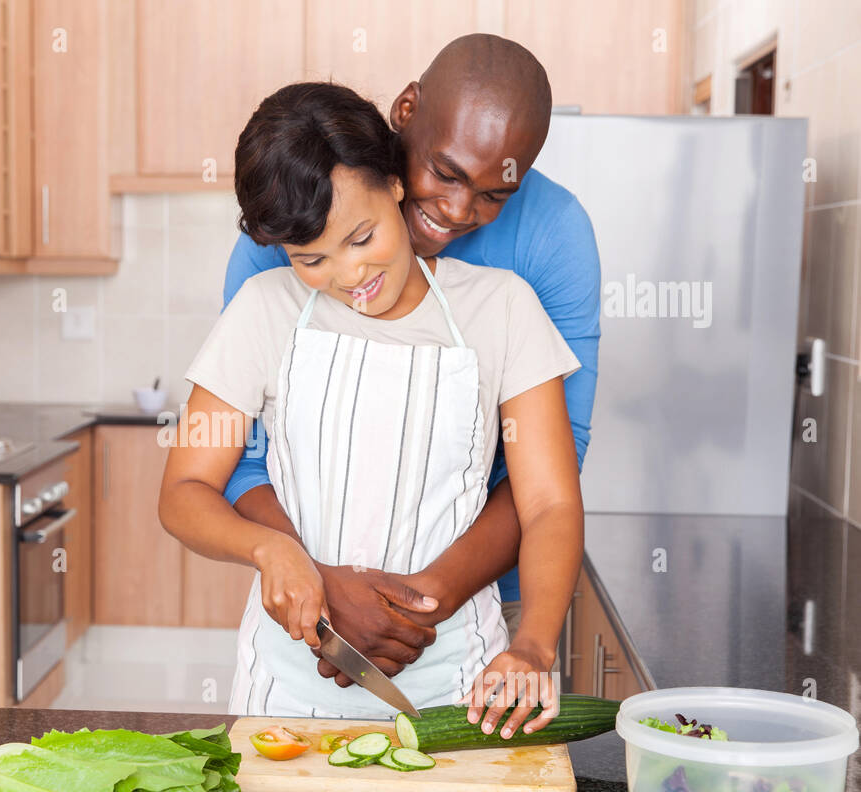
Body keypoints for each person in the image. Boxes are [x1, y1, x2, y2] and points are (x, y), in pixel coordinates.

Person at [158, 80, 584, 734]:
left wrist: (533, 646)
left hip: (458, 689)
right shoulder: (263, 310)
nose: (348, 276)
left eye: (361, 238)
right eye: (312, 259)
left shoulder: (503, 309)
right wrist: (272, 551)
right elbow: (185, 489)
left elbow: (549, 502)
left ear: (394, 184)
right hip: (285, 695)